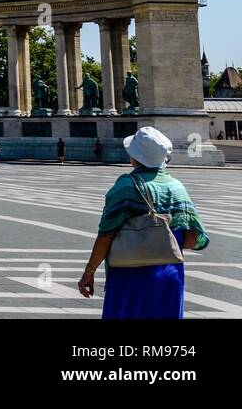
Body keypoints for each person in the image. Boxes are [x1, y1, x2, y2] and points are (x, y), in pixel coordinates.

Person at [78, 127, 208, 318]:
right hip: (170, 276)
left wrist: (89, 271)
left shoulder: (125, 186)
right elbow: (193, 239)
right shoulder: (177, 187)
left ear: (135, 158)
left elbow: (106, 234)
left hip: (129, 274)